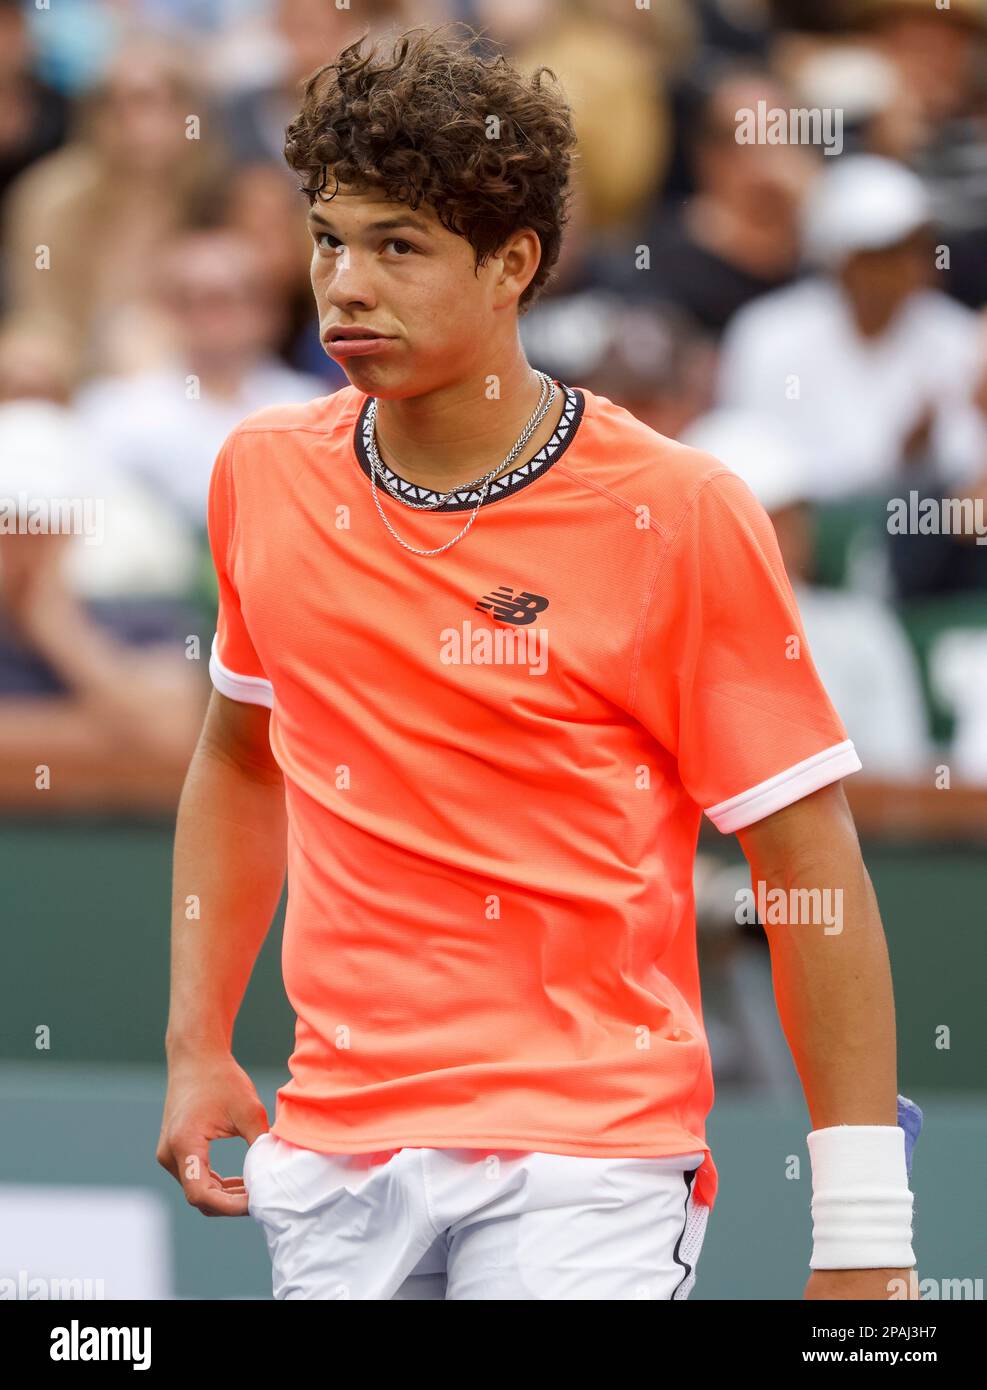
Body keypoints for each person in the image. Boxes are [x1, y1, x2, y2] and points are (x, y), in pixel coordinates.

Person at [158, 23, 918, 1301]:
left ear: (512, 263)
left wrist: (863, 1231)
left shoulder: (676, 510)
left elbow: (807, 864)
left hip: (591, 1167)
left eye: (398, 246)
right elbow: (244, 757)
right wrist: (195, 1043)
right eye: (331, 238)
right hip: (334, 1149)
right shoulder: (263, 476)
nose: (345, 284)